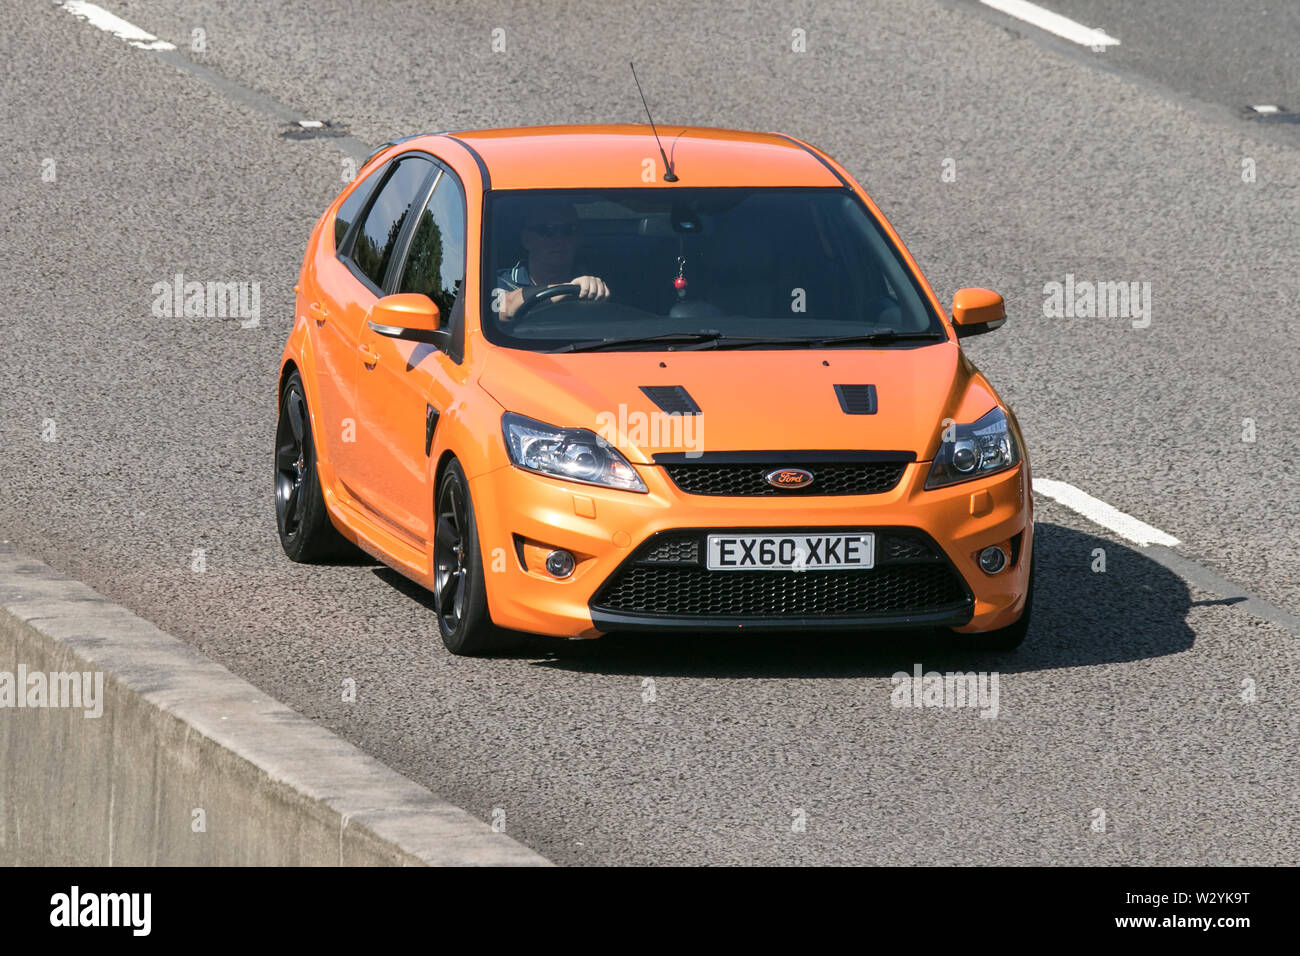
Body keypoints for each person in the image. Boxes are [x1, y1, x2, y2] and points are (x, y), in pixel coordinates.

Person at [495, 199, 610, 320]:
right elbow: (505, 307)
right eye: (546, 230)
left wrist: (594, 291)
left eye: (568, 230)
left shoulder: (599, 283)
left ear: (578, 238)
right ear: (526, 239)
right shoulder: (498, 282)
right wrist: (570, 289)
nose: (558, 239)